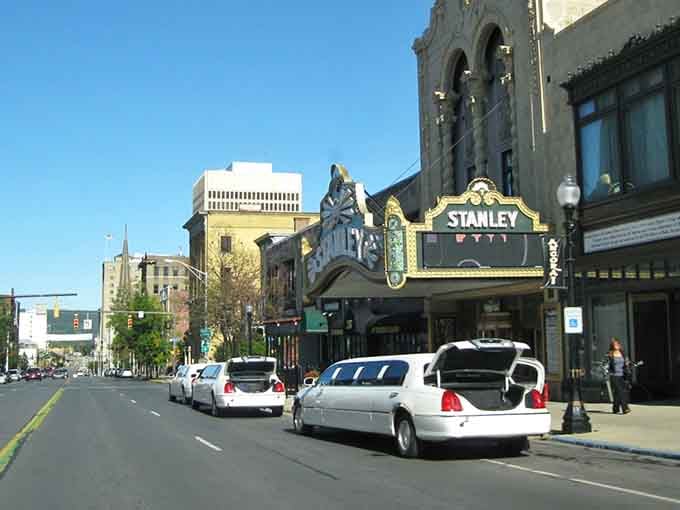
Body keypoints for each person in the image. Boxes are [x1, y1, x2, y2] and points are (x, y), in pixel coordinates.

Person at [607, 338, 631, 414]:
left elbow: (626, 362)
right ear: (612, 346)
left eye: (617, 344)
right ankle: (625, 408)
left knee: (618, 393)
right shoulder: (610, 353)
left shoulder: (622, 353)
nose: (616, 346)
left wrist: (627, 364)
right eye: (615, 344)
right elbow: (606, 363)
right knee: (621, 391)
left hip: (622, 375)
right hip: (614, 375)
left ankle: (615, 408)